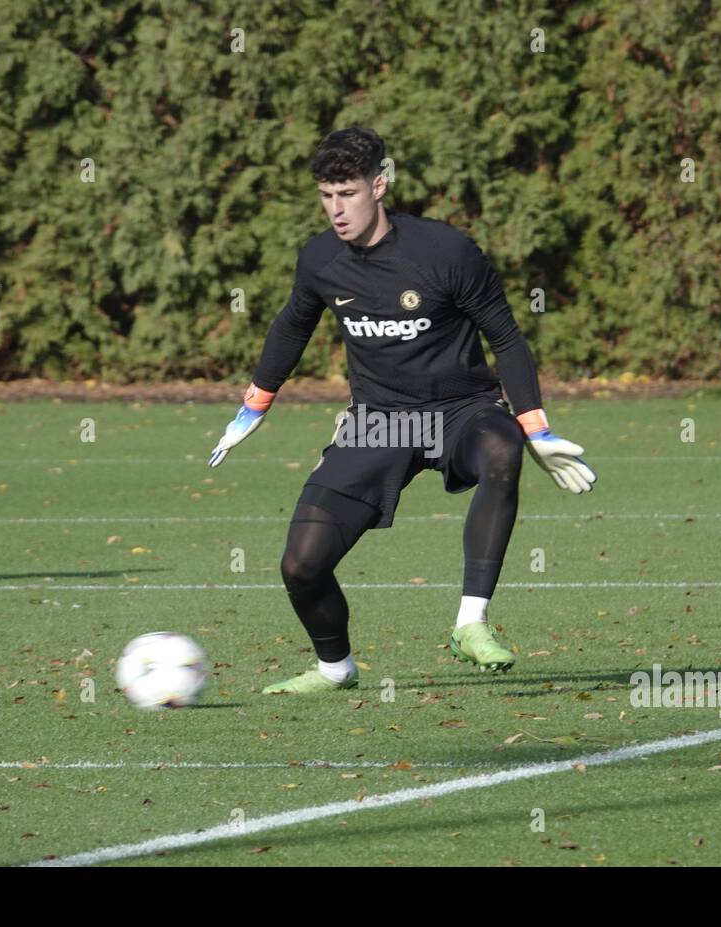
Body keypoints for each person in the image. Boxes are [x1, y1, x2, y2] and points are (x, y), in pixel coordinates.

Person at [209, 127, 596, 694]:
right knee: (301, 565)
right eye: (326, 195)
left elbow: (506, 338)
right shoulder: (320, 259)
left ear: (379, 185)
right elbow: (293, 325)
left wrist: (535, 426)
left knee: (501, 445)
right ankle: (335, 669)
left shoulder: (446, 252)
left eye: (348, 193)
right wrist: (254, 406)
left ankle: (470, 623)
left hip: (461, 410)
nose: (336, 209)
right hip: (379, 420)